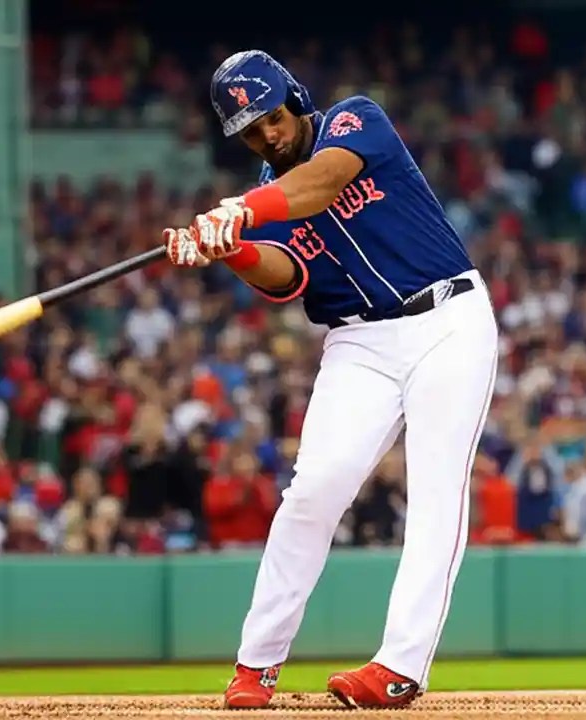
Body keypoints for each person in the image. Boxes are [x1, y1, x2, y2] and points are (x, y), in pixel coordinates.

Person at [162, 50, 498, 710]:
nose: (268, 135)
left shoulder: (353, 121)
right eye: (252, 131)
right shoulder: (268, 188)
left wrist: (238, 210)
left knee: (435, 495)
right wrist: (231, 249)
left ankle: (399, 666)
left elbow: (320, 185)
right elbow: (289, 278)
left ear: (294, 96)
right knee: (312, 490)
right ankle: (255, 666)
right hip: (359, 339)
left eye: (272, 118)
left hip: (447, 318)